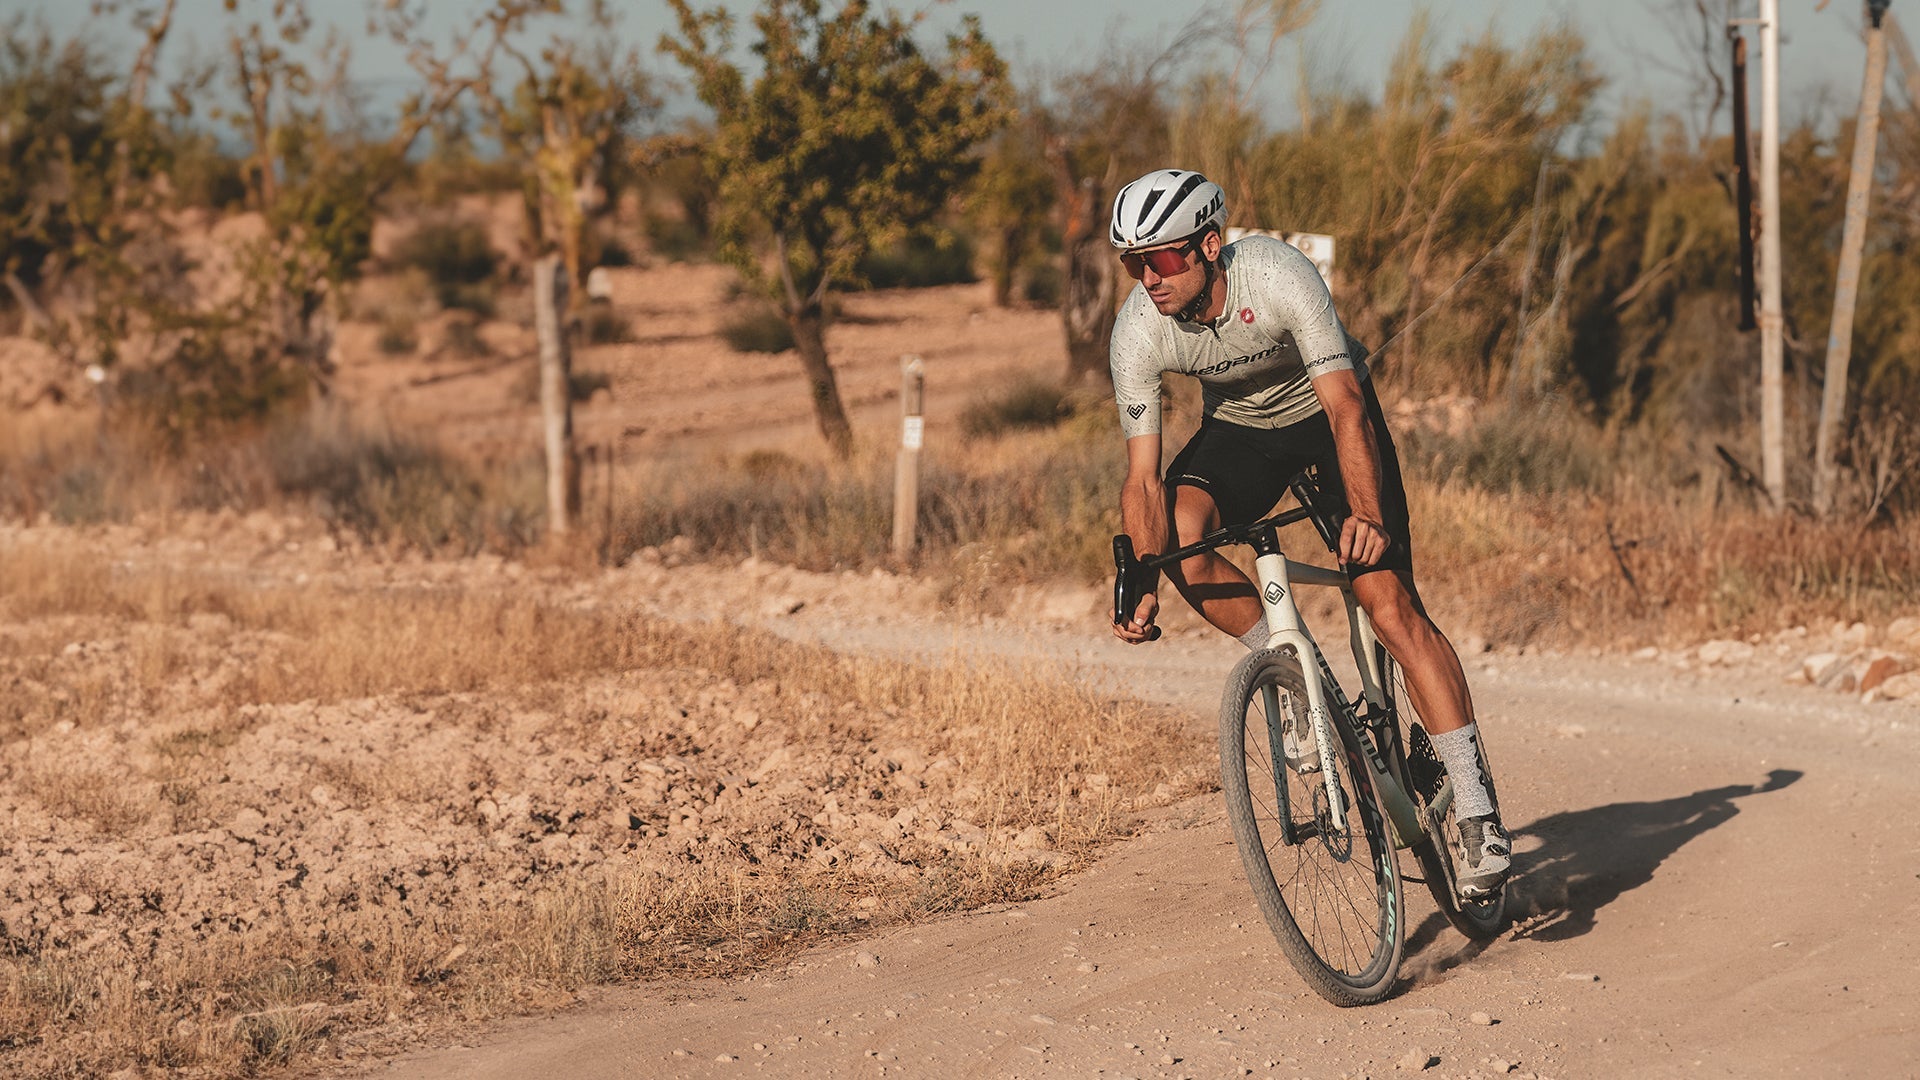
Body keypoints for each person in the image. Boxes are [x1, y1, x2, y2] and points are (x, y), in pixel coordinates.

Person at [1104, 168, 1510, 897]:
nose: (1149, 279)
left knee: (1389, 606)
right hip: (1241, 432)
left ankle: (1478, 810)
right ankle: (1292, 671)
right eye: (1134, 264)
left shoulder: (1276, 274)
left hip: (1327, 420)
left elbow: (1347, 406)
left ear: (1208, 246)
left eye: (1160, 258)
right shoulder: (1138, 328)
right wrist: (1141, 578)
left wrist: (1367, 517)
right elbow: (1143, 481)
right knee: (1182, 545)